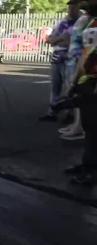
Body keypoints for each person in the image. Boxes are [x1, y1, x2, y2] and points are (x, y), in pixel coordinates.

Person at [61, 0, 97, 185]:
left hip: (93, 82)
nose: (83, 3)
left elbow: (90, 54)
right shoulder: (91, 21)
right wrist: (76, 81)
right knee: (90, 129)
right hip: (87, 80)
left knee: (94, 130)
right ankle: (87, 165)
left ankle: (91, 171)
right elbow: (86, 53)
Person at [39, 1, 80, 122]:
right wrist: (59, 39)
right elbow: (50, 39)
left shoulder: (81, 22)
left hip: (71, 59)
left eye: (74, 7)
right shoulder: (62, 21)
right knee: (55, 86)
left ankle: (70, 114)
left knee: (70, 87)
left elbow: (71, 42)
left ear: (79, 7)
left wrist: (58, 40)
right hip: (57, 57)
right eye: (69, 7)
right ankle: (52, 112)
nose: (71, 9)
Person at [59, 0, 86, 140]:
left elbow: (86, 43)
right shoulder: (82, 19)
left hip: (79, 60)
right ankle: (76, 124)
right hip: (73, 59)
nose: (71, 7)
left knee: (78, 94)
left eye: (74, 4)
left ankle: (79, 127)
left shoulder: (88, 18)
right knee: (74, 94)